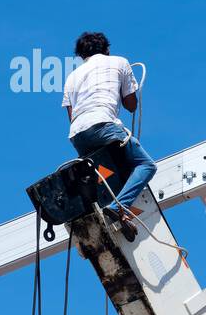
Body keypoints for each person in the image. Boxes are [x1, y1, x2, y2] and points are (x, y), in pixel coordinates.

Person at [62, 31, 157, 239]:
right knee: (145, 165)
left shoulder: (71, 77)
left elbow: (72, 116)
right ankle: (119, 207)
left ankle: (120, 214)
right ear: (106, 49)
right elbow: (131, 105)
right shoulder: (119, 62)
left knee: (111, 176)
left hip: (78, 135)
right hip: (104, 124)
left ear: (81, 55)